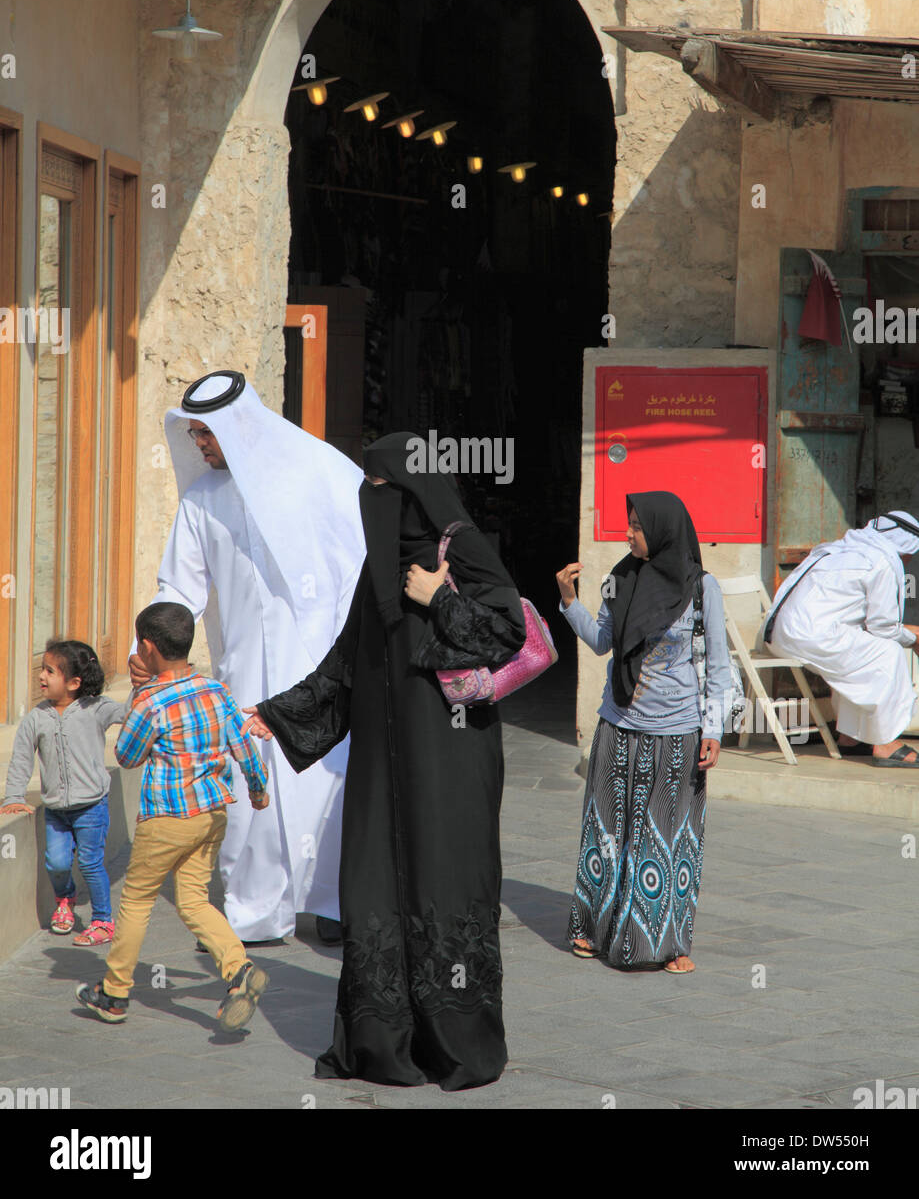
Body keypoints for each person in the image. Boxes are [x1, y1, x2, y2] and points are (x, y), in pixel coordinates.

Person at [243, 431, 528, 1090]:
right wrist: (278, 713)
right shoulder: (378, 572)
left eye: (381, 487)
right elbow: (346, 663)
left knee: (445, 880)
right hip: (381, 759)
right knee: (375, 881)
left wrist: (439, 601)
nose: (370, 498)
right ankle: (382, 1041)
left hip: (451, 754)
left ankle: (458, 1042)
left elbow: (505, 632)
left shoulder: (459, 548)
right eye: (367, 487)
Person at [131, 369, 364, 943]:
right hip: (243, 676)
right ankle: (257, 910)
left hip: (319, 671)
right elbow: (180, 588)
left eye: (206, 435)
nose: (199, 445)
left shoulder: (319, 473)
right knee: (251, 791)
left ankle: (335, 903)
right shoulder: (202, 501)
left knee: (324, 786)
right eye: (193, 435)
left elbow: (363, 561)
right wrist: (150, 647)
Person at [556, 491, 731, 974]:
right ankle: (593, 928)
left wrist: (713, 729)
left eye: (636, 526)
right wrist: (569, 603)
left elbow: (719, 665)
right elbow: (601, 642)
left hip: (677, 732)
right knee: (607, 830)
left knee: (667, 837)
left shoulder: (701, 588)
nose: (628, 534)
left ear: (663, 530)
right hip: (618, 724)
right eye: (628, 525)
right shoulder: (620, 579)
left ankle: (668, 943)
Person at [76, 602, 271, 1030]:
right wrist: (258, 790)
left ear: (147, 648)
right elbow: (244, 746)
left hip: (167, 817)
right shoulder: (217, 691)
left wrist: (139, 694)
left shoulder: (150, 700)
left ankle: (113, 992)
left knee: (136, 901)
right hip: (212, 813)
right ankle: (239, 969)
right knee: (195, 899)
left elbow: (127, 756)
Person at [762, 512, 919, 768]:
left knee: (857, 656)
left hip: (779, 635)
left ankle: (849, 737)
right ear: (906, 545)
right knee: (887, 653)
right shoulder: (883, 561)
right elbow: (884, 628)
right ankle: (885, 742)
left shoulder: (836, 549)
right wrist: (913, 638)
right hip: (811, 637)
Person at [1, 641, 125, 945]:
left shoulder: (96, 709)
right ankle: (65, 901)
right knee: (56, 863)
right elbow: (21, 758)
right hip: (56, 810)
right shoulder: (35, 718)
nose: (41, 676)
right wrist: (14, 797)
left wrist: (144, 682)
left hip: (92, 807)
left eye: (50, 671)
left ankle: (102, 921)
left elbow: (132, 714)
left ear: (74, 682)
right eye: (43, 668)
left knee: (90, 862)